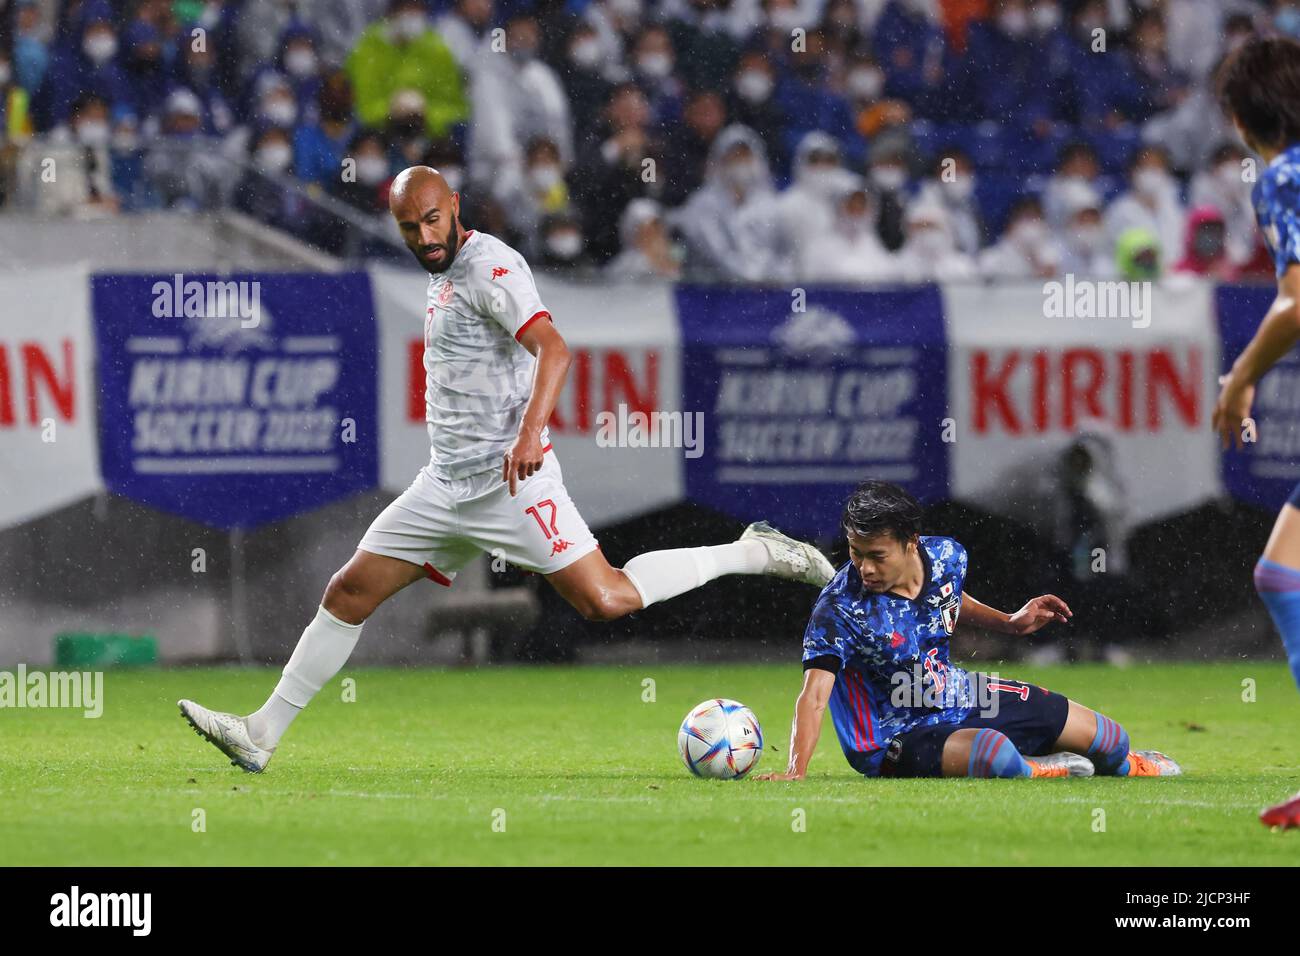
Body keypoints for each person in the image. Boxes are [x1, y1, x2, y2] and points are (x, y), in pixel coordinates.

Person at [178, 166, 835, 772]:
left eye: (433, 219)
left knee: (605, 599)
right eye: (410, 227)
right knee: (348, 592)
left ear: (454, 206)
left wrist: (528, 435)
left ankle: (753, 552)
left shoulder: (491, 267)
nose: (424, 236)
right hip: (445, 485)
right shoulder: (441, 272)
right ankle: (260, 734)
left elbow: (554, 348)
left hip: (510, 485)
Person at [754, 480, 1184, 781]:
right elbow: (814, 696)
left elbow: (948, 600)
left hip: (958, 695)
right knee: (995, 756)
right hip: (893, 737)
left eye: (877, 556)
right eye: (855, 552)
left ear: (911, 542)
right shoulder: (838, 609)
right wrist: (795, 770)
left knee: (1109, 738)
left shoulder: (947, 556)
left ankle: (1128, 765)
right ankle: (1041, 767)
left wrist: (1009, 622)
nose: (864, 567)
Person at [1211, 36, 1300, 830]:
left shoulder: (1284, 176)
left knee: (1283, 574)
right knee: (1282, 573)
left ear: (1243, 116)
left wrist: (1239, 379)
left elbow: (1298, 299)